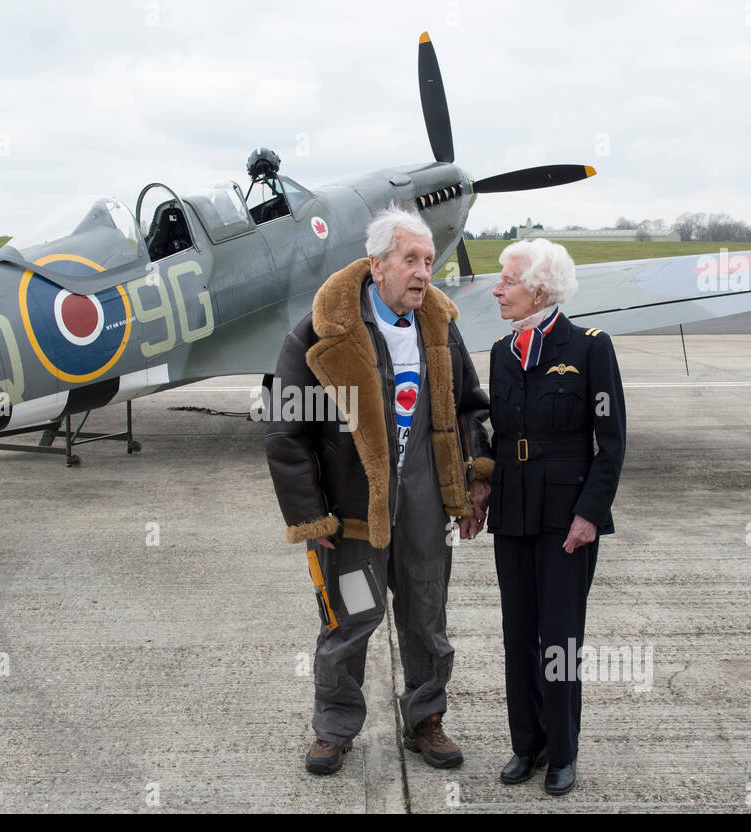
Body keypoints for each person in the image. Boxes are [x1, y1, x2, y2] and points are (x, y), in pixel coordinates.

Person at [265, 207, 493, 775]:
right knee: (349, 620)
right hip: (353, 516)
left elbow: (469, 406)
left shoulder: (438, 325)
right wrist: (313, 519)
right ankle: (334, 727)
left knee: (425, 618)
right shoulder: (320, 333)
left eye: (428, 261)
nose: (423, 273)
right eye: (410, 260)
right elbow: (285, 436)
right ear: (377, 265)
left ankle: (426, 719)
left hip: (424, 509)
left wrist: (475, 478)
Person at [483, 238, 626, 795]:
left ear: (539, 289)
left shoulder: (590, 347)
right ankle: (529, 743)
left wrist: (591, 513)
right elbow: (499, 432)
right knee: (518, 633)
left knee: (559, 638)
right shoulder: (501, 350)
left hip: (567, 516)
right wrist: (479, 487)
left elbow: (610, 443)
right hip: (513, 508)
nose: (497, 289)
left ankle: (564, 750)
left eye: (508, 281)